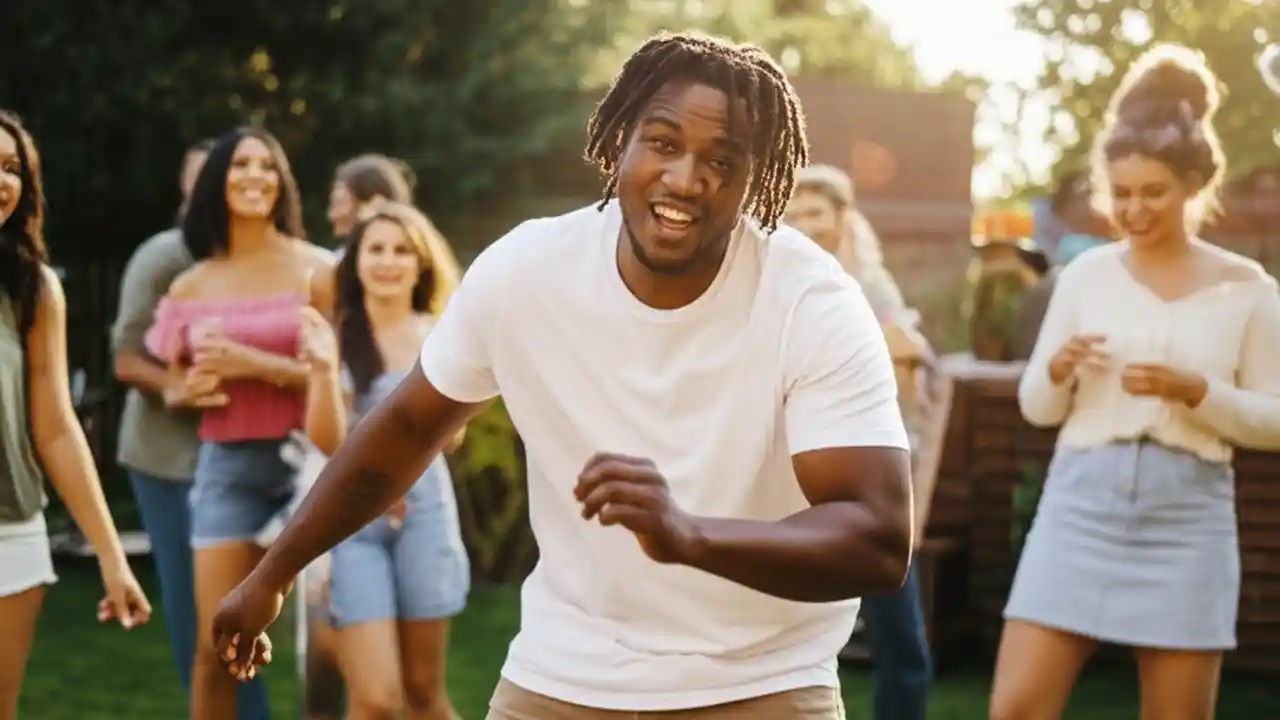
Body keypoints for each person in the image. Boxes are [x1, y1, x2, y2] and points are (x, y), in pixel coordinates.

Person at [213, 32, 913, 720]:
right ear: (618, 145)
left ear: (755, 179)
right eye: (664, 143)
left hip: (761, 683)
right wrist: (272, 574)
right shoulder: (526, 272)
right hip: (564, 675)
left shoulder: (811, 301)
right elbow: (405, 428)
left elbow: (878, 537)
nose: (685, 178)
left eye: (722, 160)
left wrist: (690, 535)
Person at [991, 44, 1280, 719]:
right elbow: (1038, 407)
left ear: (1193, 188)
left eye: (1154, 192)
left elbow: (1274, 420)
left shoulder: (1249, 288)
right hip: (1078, 508)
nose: (1135, 209)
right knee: (1015, 711)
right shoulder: (1085, 277)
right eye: (1120, 194)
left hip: (1189, 517)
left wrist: (1196, 392)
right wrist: (1058, 369)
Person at [144, 126, 333, 719]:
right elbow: (173, 384)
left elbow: (345, 382)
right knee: (217, 646)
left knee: (330, 656)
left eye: (267, 166)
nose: (255, 176)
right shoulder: (191, 284)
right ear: (215, 183)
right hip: (227, 469)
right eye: (239, 166)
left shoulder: (318, 271)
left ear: (282, 184)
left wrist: (259, 366)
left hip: (311, 466)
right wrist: (186, 390)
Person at [112, 137, 274, 719]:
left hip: (246, 461)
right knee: (199, 621)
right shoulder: (165, 258)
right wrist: (177, 387)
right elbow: (126, 356)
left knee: (249, 612)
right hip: (170, 461)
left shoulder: (266, 261)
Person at [0, 109, 151, 718]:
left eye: (11, 168)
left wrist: (112, 558)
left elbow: (56, 426)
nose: (1, 182)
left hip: (10, 535)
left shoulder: (31, 286)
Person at [304, 202, 468, 719]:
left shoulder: (442, 335)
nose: (388, 261)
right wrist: (325, 373)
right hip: (351, 521)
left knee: (423, 692)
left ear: (421, 264)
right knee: (376, 701)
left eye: (401, 250)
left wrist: (394, 479)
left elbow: (453, 437)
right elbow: (326, 439)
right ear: (355, 262)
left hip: (424, 514)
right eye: (375, 249)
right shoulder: (335, 335)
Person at [786, 164, 933, 720]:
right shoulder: (780, 285)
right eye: (795, 214)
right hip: (798, 473)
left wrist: (905, 354)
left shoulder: (871, 288)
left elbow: (907, 371)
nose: (805, 224)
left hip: (869, 478)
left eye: (816, 213)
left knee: (900, 631)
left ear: (843, 218)